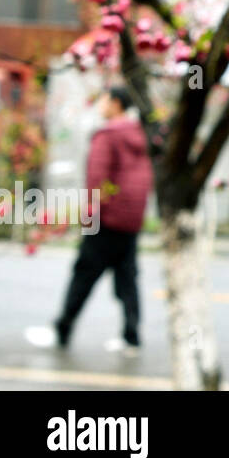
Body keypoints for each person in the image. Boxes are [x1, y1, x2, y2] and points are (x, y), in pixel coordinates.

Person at [26, 87, 152, 355]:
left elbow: (96, 180)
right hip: (130, 219)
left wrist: (88, 216)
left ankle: (62, 329)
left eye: (104, 99)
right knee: (127, 279)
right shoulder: (138, 135)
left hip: (106, 220)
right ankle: (132, 338)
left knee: (83, 274)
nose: (100, 104)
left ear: (116, 103)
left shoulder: (108, 136)